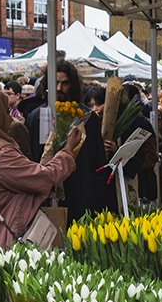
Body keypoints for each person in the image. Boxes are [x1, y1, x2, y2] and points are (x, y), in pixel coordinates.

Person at [0, 85, 83, 247]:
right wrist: (67, 151)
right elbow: (46, 178)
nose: (10, 118)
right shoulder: (0, 154)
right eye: (4, 111)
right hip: (3, 242)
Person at [24, 60, 110, 221]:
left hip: (81, 195)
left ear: (73, 85)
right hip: (45, 194)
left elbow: (97, 163)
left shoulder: (87, 118)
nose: (59, 88)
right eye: (55, 83)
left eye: (64, 83)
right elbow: (31, 157)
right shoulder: (36, 117)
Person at [118, 82, 159, 204]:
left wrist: (132, 163)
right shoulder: (114, 123)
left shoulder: (142, 123)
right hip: (120, 179)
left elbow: (152, 155)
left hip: (141, 181)